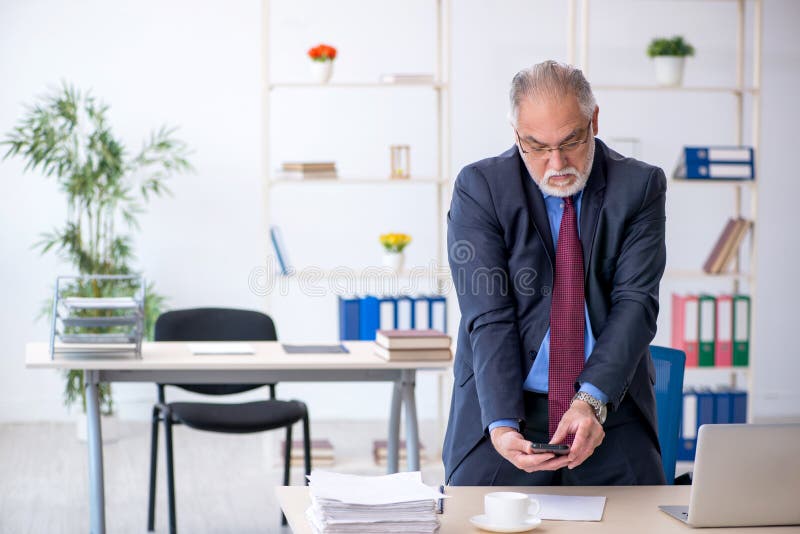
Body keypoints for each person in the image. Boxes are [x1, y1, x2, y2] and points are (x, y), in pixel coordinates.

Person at [443, 60, 667, 486]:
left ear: (594, 120)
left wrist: (591, 402)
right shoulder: (480, 188)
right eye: (537, 146)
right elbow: (488, 315)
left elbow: (635, 306)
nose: (556, 162)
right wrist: (503, 424)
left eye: (571, 141)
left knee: (644, 521)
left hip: (607, 402)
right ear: (516, 135)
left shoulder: (638, 187)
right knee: (471, 519)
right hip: (506, 400)